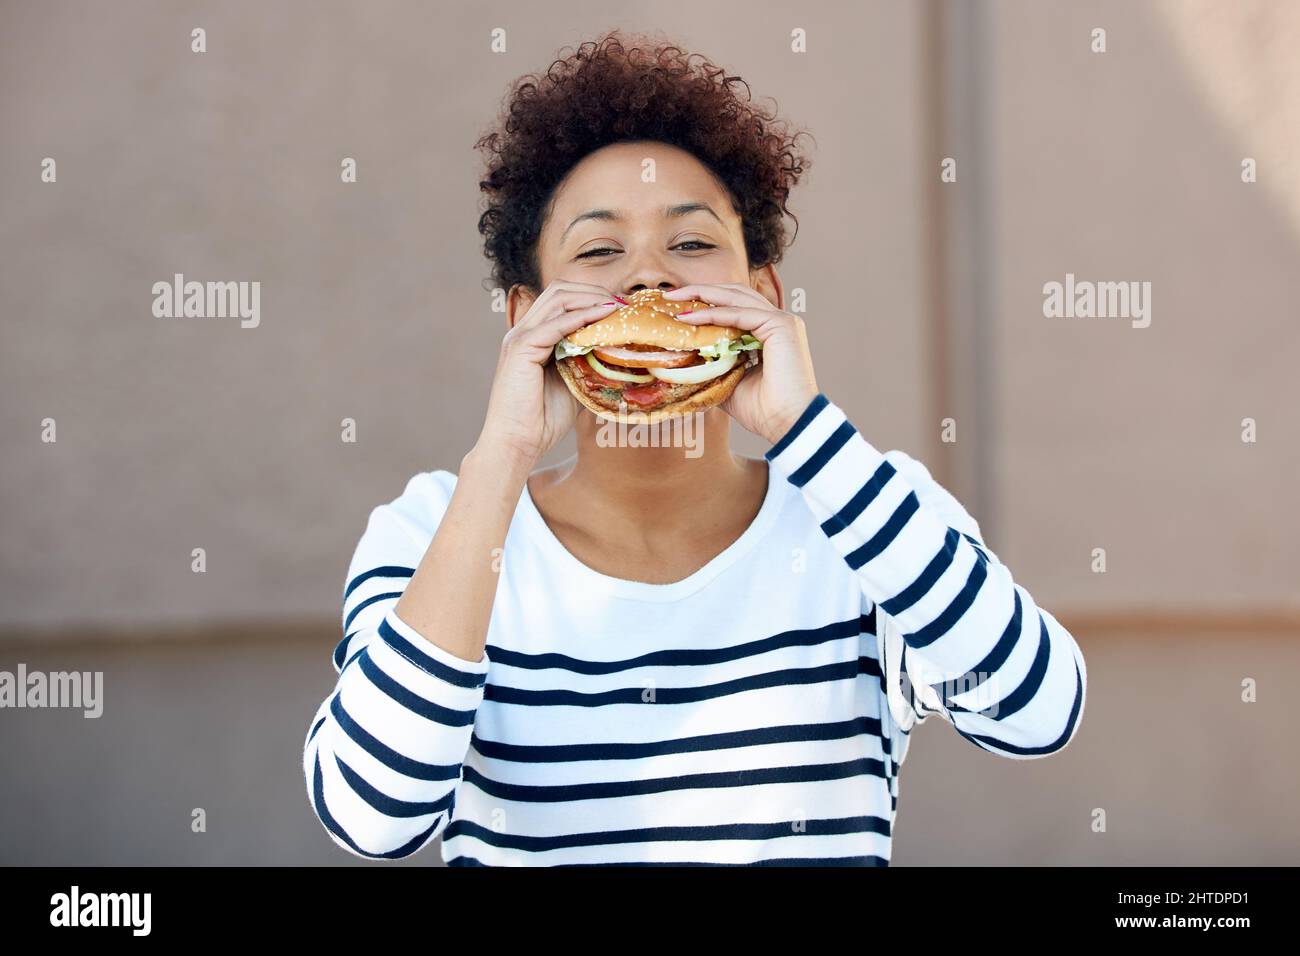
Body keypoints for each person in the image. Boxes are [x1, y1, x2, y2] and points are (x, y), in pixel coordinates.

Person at [302, 30, 1087, 865]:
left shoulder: (868, 511)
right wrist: (502, 454)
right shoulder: (435, 529)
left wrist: (805, 430)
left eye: (692, 243)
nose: (649, 277)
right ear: (525, 315)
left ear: (764, 294)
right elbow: (372, 816)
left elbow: (1036, 712)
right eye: (600, 251)